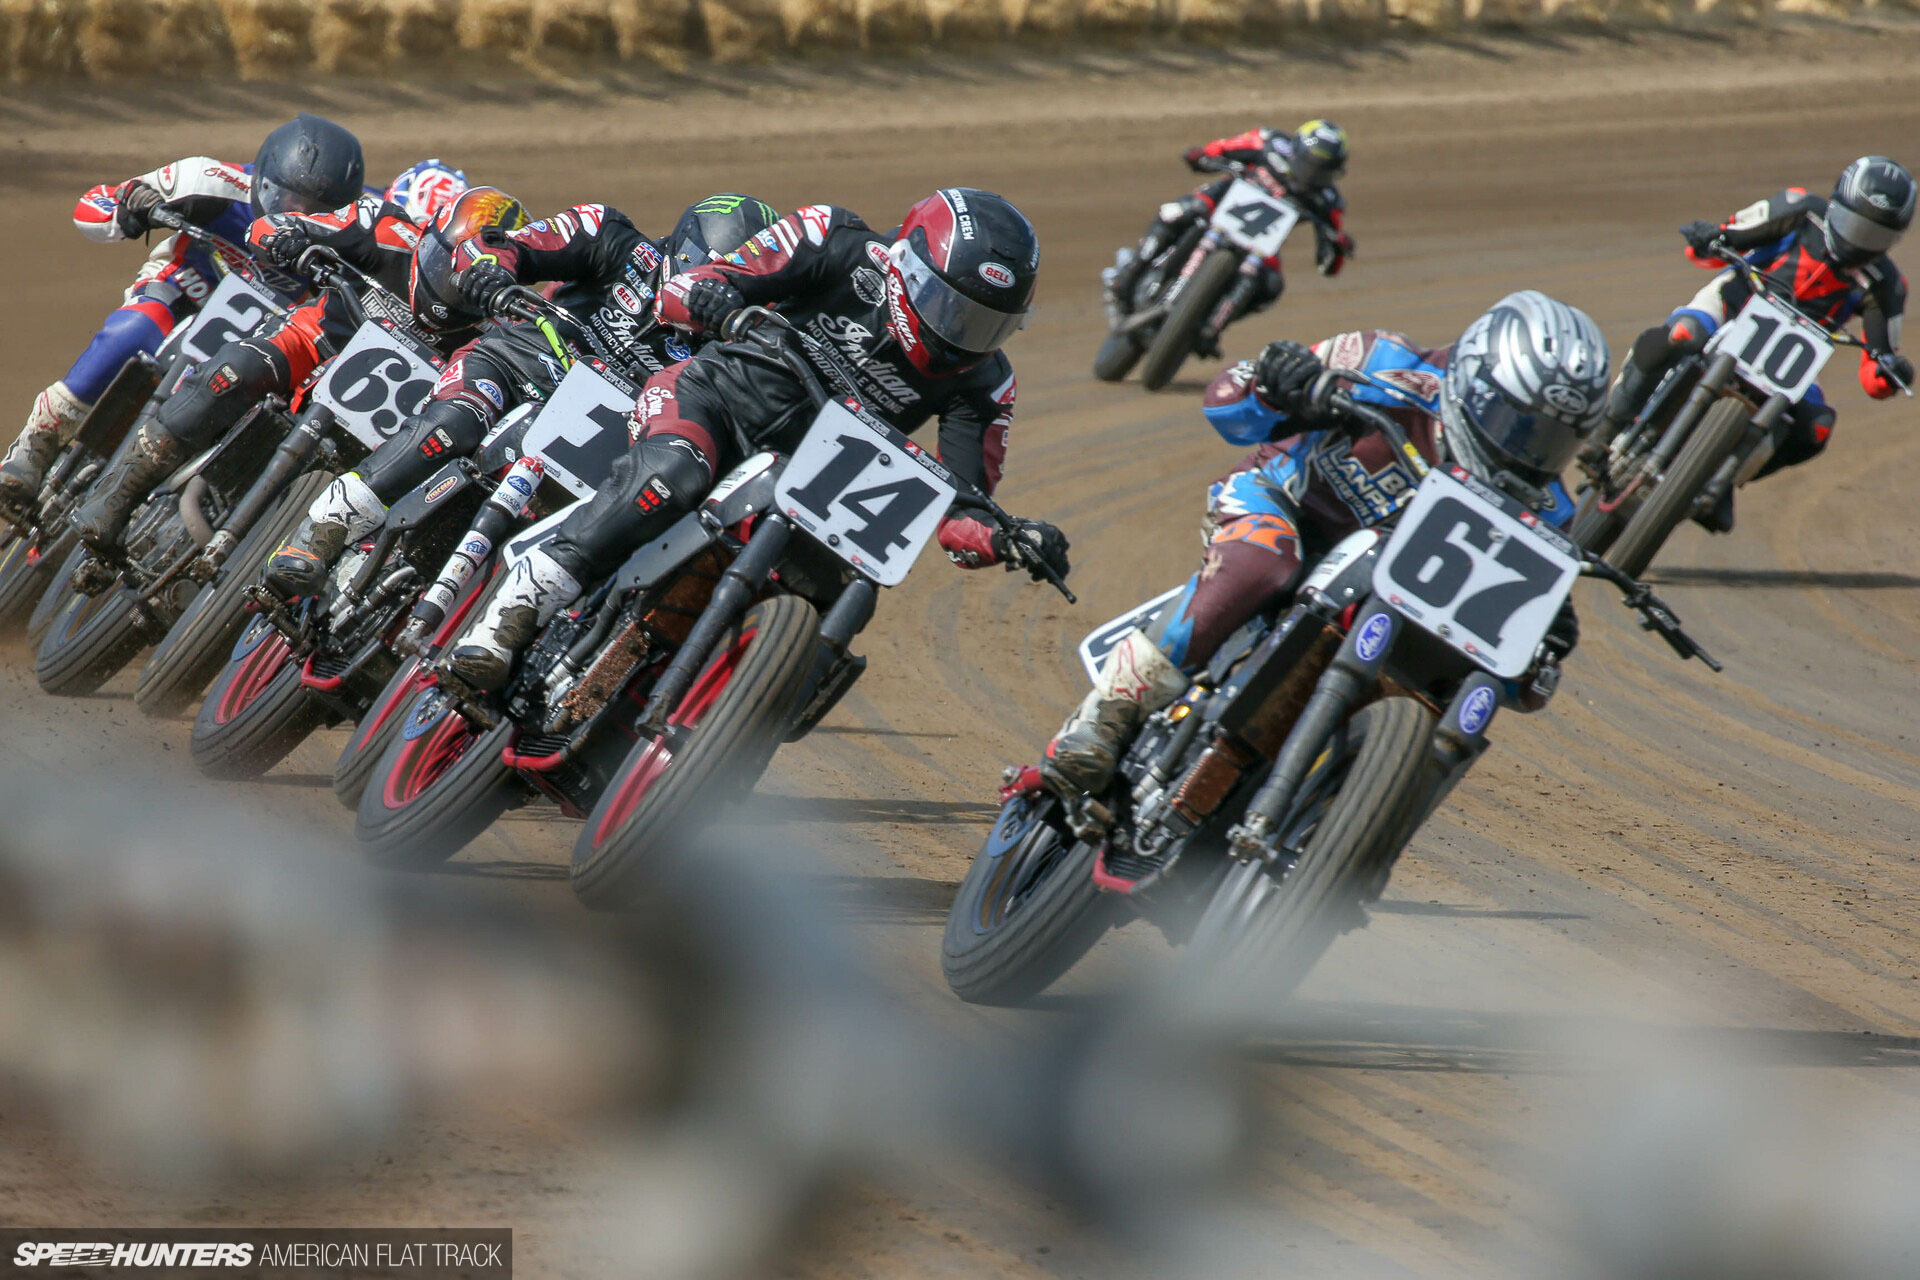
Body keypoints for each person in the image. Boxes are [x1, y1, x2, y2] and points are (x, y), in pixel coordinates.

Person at [438, 188, 1071, 694]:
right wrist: (718, 297)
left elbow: (961, 508)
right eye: (949, 305)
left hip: (811, 481)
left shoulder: (988, 386)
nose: (959, 333)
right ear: (906, 261)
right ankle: (520, 601)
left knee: (848, 585)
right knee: (671, 475)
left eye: (985, 324)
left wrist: (1005, 537)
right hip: (711, 400)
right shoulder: (836, 239)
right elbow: (691, 285)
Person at [1043, 290, 1608, 795]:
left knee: (1452, 677)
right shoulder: (1383, 361)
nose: (1528, 448)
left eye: (1553, 438)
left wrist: (1542, 640)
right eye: (1518, 421)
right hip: (1286, 509)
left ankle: (1341, 830)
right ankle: (1106, 715)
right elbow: (1225, 402)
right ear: (1476, 383)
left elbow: (1522, 685)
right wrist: (1278, 386)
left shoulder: (1549, 509)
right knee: (1263, 564)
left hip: (1388, 595)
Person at [259, 192, 783, 600]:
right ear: (684, 252)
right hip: (515, 365)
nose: (702, 300)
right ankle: (325, 526)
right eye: (704, 277)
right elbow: (503, 241)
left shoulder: (733, 343)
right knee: (456, 423)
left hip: (590, 445)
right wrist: (493, 271)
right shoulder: (612, 236)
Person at [69, 168, 524, 555]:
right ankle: (119, 491)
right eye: (447, 266)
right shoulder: (381, 224)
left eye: (470, 284)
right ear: (431, 240)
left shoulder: (501, 327)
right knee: (231, 373)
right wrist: (289, 240)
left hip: (386, 423)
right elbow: (270, 226)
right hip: (311, 342)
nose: (451, 287)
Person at [0, 115, 382, 509]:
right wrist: (130, 209)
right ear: (261, 177)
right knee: (133, 331)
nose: (293, 215)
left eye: (314, 212)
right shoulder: (209, 179)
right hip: (186, 291)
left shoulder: (357, 233)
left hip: (266, 338)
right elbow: (94, 205)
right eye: (283, 200)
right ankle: (37, 441)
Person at [1602, 155, 1914, 532]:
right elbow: (1728, 236)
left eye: (1876, 236)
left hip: (1791, 358)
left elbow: (1876, 368)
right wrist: (1709, 239)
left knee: (1817, 428)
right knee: (1679, 336)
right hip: (1730, 308)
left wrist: (1890, 372)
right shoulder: (1798, 209)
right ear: (1836, 205)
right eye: (1855, 225)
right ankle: (1609, 424)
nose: (1860, 242)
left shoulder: (1886, 285)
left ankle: (1719, 479)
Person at [1105, 119, 1356, 328]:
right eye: (1311, 164)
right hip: (1218, 203)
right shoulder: (1269, 142)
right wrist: (1202, 156)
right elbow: (1220, 149)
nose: (1314, 175)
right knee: (1177, 213)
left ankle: (1211, 324)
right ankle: (1125, 279)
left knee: (1271, 285)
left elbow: (1329, 264)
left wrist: (1337, 246)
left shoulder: (1328, 199)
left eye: (1323, 170)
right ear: (1296, 150)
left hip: (1262, 242)